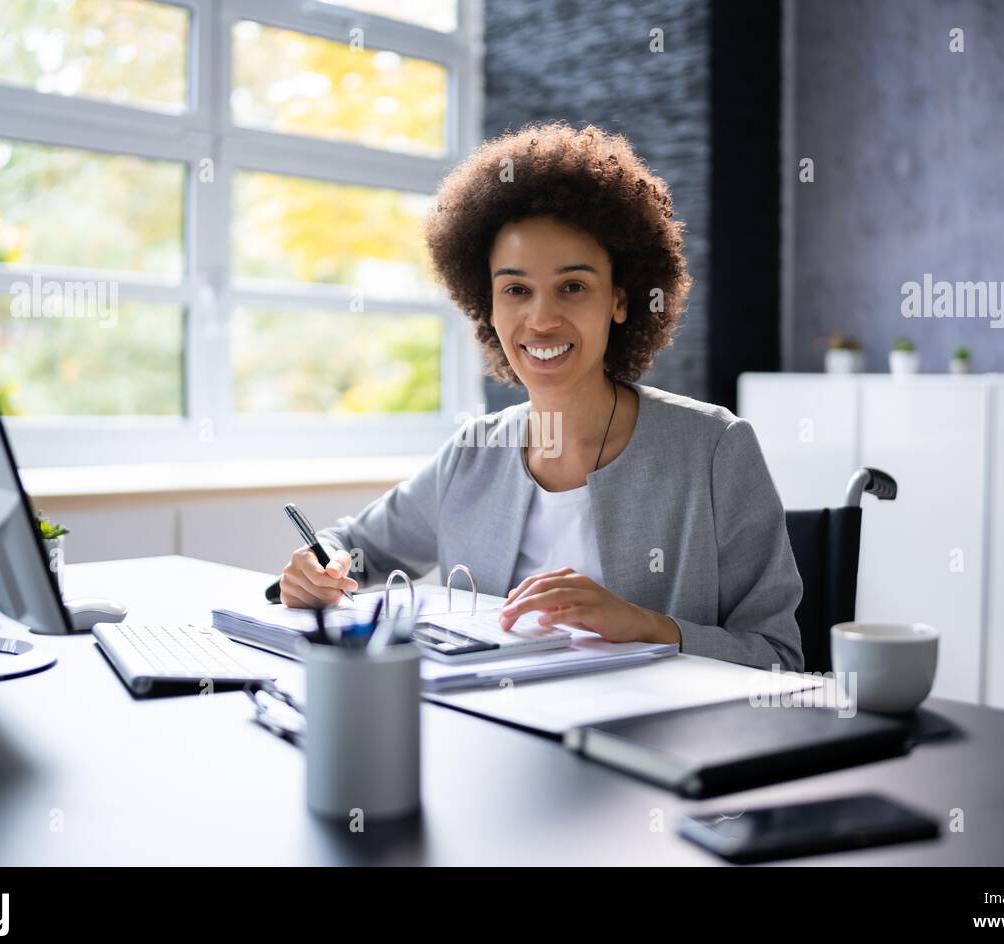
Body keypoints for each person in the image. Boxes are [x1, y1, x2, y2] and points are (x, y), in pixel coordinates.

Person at [278, 121, 803, 670]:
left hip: (653, 742)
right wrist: (321, 569)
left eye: (573, 287)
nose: (542, 319)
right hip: (494, 725)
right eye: (516, 290)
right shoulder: (474, 451)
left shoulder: (714, 447)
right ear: (488, 304)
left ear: (620, 301)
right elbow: (355, 548)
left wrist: (646, 625)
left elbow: (780, 658)